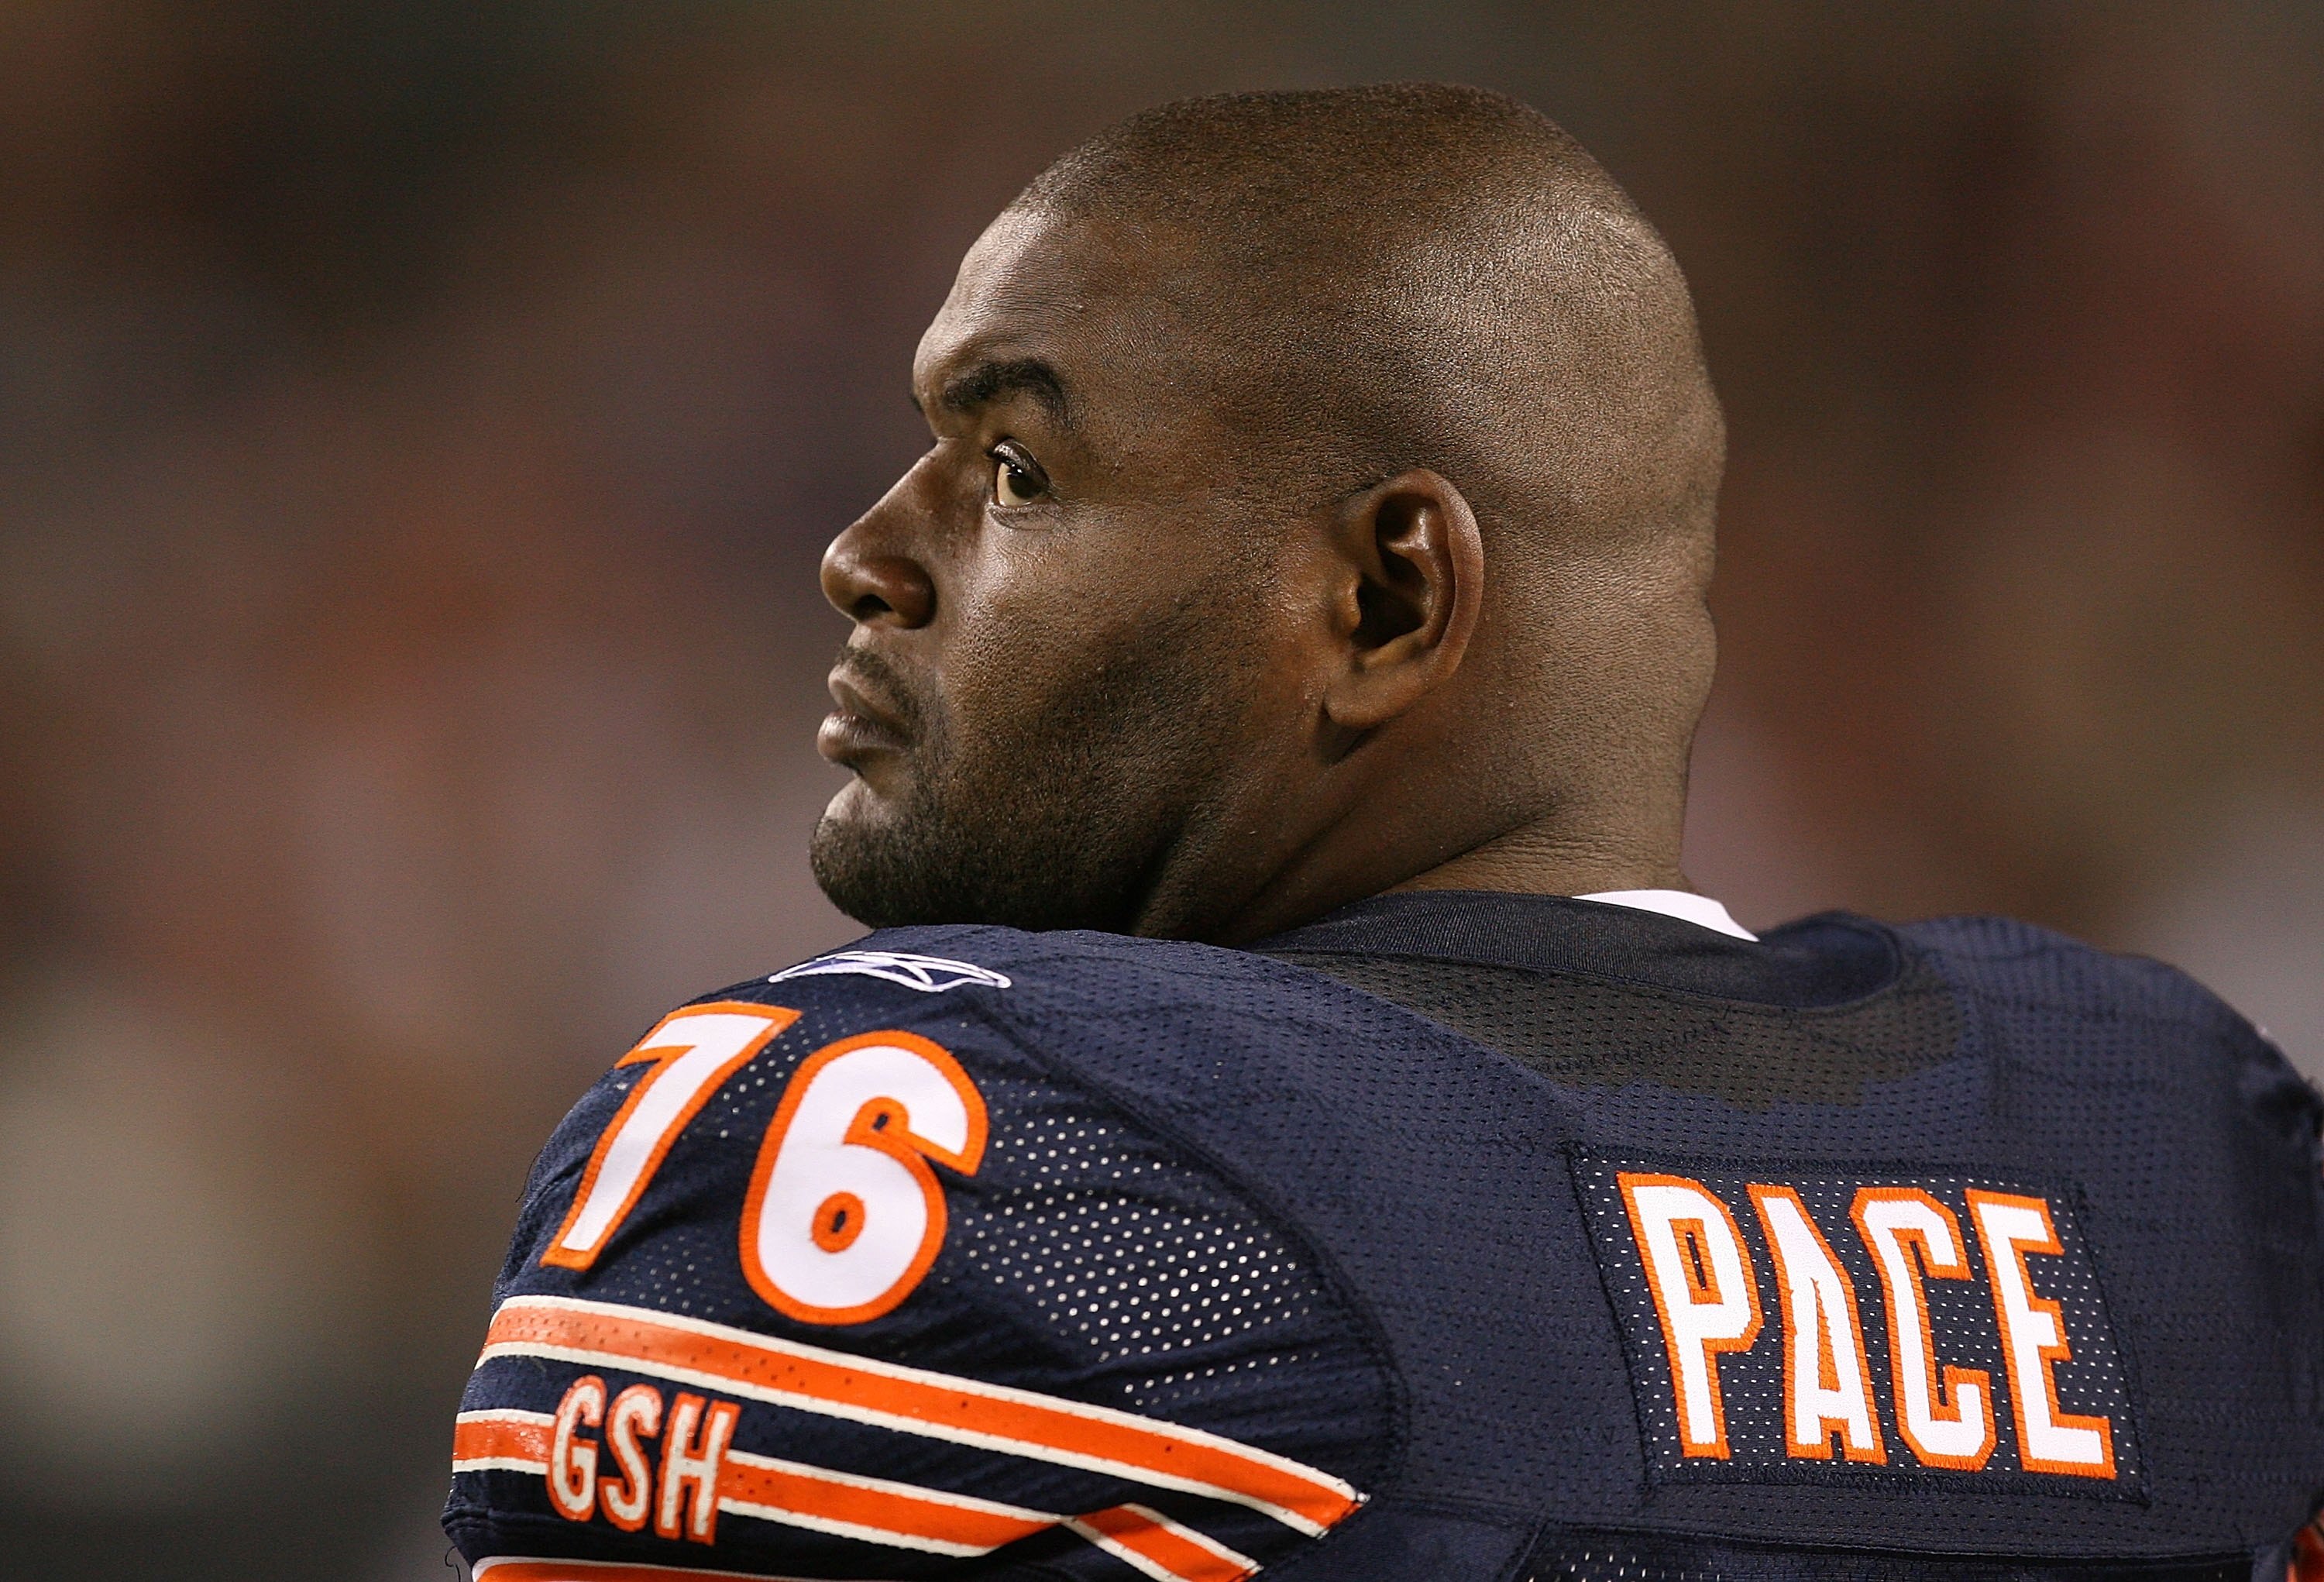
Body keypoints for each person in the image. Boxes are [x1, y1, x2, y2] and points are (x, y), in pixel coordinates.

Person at [442, 84, 2324, 1582]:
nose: (865, 553)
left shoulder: (975, 1157)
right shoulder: (2183, 1158)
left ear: (1387, 597)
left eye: (1015, 470)